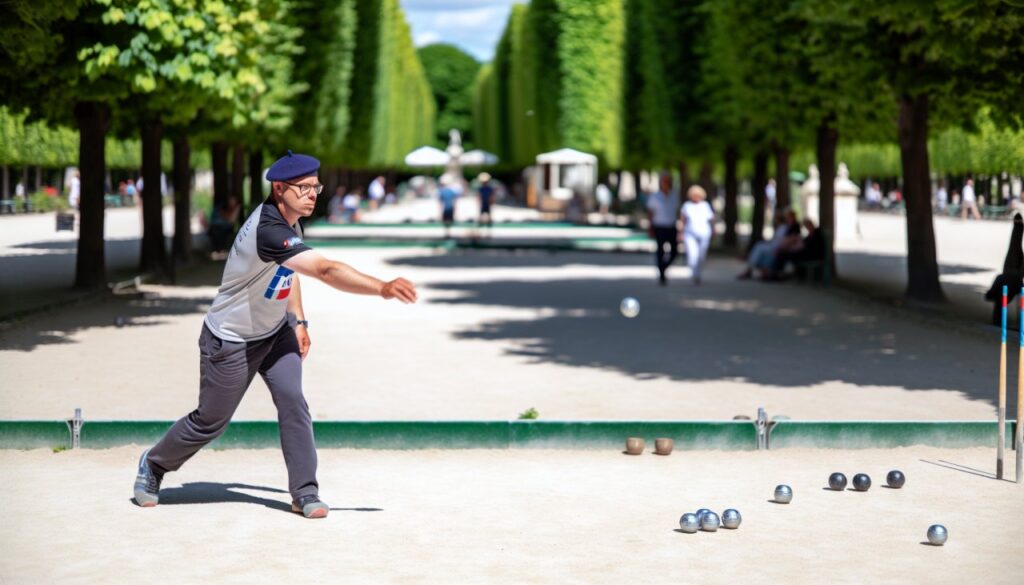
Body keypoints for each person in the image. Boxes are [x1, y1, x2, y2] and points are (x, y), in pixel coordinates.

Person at [132, 150, 418, 519]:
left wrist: (298, 321)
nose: (313, 194)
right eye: (304, 188)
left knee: (293, 402)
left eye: (316, 186)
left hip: (273, 333)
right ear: (279, 188)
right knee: (210, 421)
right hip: (231, 339)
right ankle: (153, 465)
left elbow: (289, 272)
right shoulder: (268, 229)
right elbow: (325, 270)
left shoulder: (291, 220)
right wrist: (381, 287)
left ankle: (305, 492)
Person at [739, 209, 799, 280]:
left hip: (779, 247)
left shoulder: (793, 227)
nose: (788, 218)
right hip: (776, 245)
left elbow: (791, 240)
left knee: (759, 247)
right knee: (760, 248)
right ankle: (754, 269)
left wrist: (781, 247)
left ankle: (750, 269)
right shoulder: (785, 226)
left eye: (789, 217)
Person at [646, 172, 680, 286]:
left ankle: (663, 267)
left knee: (675, 251)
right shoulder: (655, 196)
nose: (666, 183)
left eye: (668, 181)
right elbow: (650, 212)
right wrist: (650, 226)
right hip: (659, 226)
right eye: (664, 181)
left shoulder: (674, 195)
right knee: (660, 250)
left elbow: (677, 211)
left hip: (671, 225)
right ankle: (661, 273)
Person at [680, 184, 715, 285]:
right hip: (690, 233)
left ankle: (698, 273)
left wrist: (713, 230)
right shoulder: (687, 206)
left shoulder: (705, 205)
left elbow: (711, 219)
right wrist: (681, 233)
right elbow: (683, 220)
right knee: (692, 255)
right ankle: (695, 274)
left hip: (704, 233)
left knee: (701, 256)